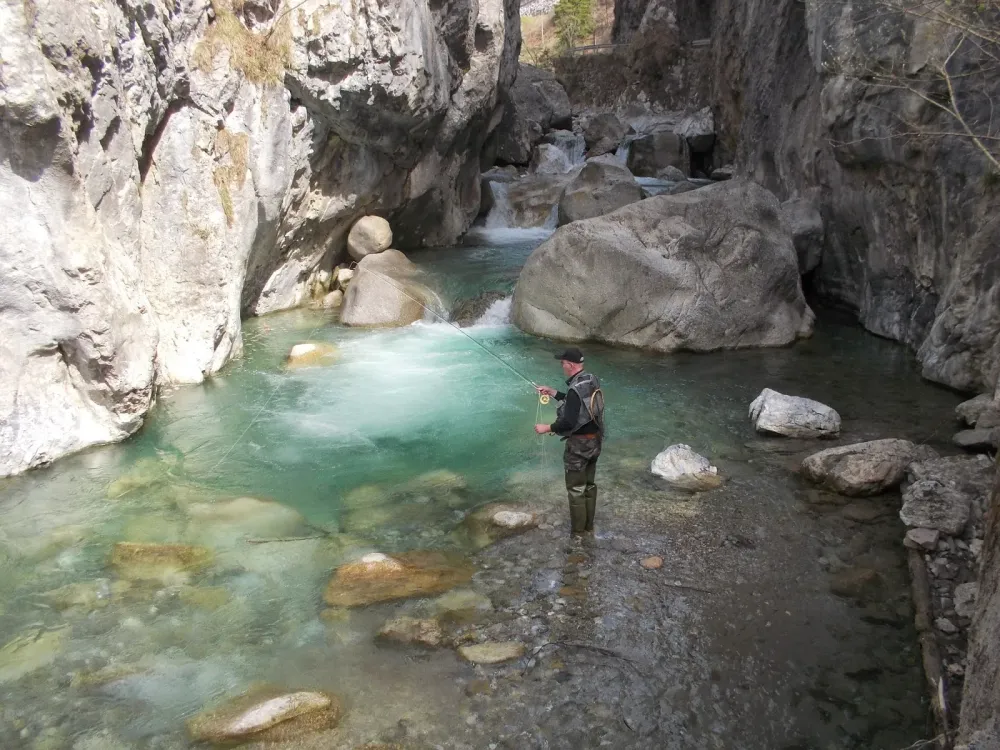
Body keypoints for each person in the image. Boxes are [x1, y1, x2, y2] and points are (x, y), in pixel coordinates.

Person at [534, 347, 604, 535]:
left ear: (570, 364)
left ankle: (578, 533)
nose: (562, 365)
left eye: (563, 362)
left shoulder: (575, 389)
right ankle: (589, 526)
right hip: (595, 441)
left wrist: (546, 428)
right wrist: (553, 392)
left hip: (579, 445)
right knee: (589, 485)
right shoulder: (590, 379)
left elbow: (569, 420)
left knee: (575, 489)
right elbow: (578, 404)